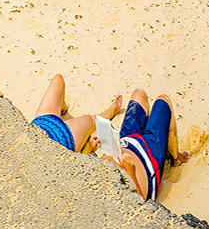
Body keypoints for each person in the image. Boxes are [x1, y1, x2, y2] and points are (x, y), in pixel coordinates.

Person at [30, 74, 177, 202]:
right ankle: (176, 158)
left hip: (124, 143)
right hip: (149, 159)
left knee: (138, 94)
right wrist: (130, 170)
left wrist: (88, 151)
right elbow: (138, 203)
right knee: (162, 100)